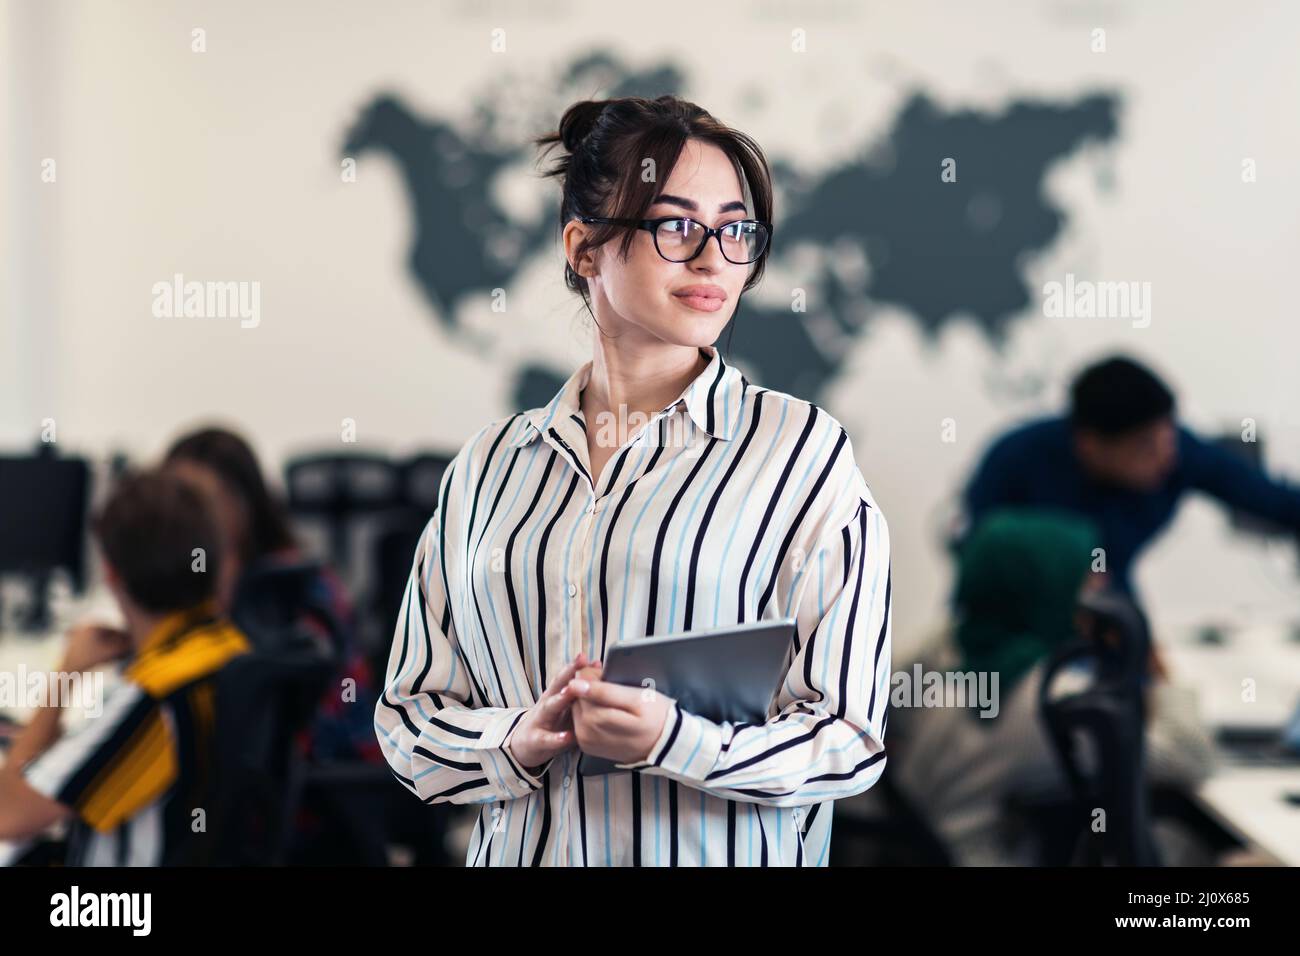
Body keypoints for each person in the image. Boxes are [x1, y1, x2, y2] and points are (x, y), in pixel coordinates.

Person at [374, 95, 892, 867]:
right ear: (585, 248)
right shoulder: (485, 470)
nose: (715, 256)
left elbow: (846, 739)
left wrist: (679, 742)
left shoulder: (801, 455)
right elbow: (407, 720)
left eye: (736, 229)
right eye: (676, 223)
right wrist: (515, 740)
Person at [891, 508, 1214, 866]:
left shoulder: (941, 647)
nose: (1100, 586)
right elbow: (1189, 755)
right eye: (1083, 578)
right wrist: (1155, 667)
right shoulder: (1054, 700)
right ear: (1044, 587)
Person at [0, 469, 251, 865]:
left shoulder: (156, 696)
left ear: (111, 574)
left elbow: (8, 814)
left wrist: (67, 674)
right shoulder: (228, 649)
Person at [963, 355, 1300, 601]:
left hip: (1112, 597)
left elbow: (1269, 498)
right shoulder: (1014, 460)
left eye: (1168, 436)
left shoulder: (1179, 453)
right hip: (1027, 616)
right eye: (1145, 447)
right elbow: (980, 560)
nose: (1165, 457)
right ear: (1089, 444)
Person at [163, 427, 380, 766]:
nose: (185, 516)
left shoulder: (297, 582)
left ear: (243, 502)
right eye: (176, 500)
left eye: (200, 501)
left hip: (315, 782)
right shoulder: (190, 577)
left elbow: (303, 713)